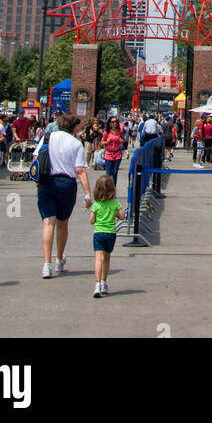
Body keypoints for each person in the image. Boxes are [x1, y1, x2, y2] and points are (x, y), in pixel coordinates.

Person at [35, 112, 92, 278]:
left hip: (46, 182)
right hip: (66, 184)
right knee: (62, 223)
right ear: (74, 127)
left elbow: (37, 157)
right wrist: (87, 193)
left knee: (48, 223)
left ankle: (46, 264)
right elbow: (80, 170)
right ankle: (59, 259)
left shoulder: (47, 138)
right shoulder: (76, 144)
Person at [89, 172, 127, 298]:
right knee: (106, 258)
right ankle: (104, 282)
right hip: (110, 233)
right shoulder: (115, 203)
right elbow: (122, 216)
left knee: (98, 259)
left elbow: (92, 221)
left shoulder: (97, 205)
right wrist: (114, 214)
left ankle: (97, 284)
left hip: (98, 233)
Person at [100, 116, 125, 186]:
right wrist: (106, 142)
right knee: (108, 173)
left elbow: (123, 141)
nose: (115, 123)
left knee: (115, 173)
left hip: (117, 154)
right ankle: (107, 189)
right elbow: (101, 143)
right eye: (113, 122)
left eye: (116, 122)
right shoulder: (107, 133)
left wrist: (122, 141)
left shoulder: (120, 132)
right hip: (108, 154)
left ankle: (113, 190)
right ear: (109, 123)